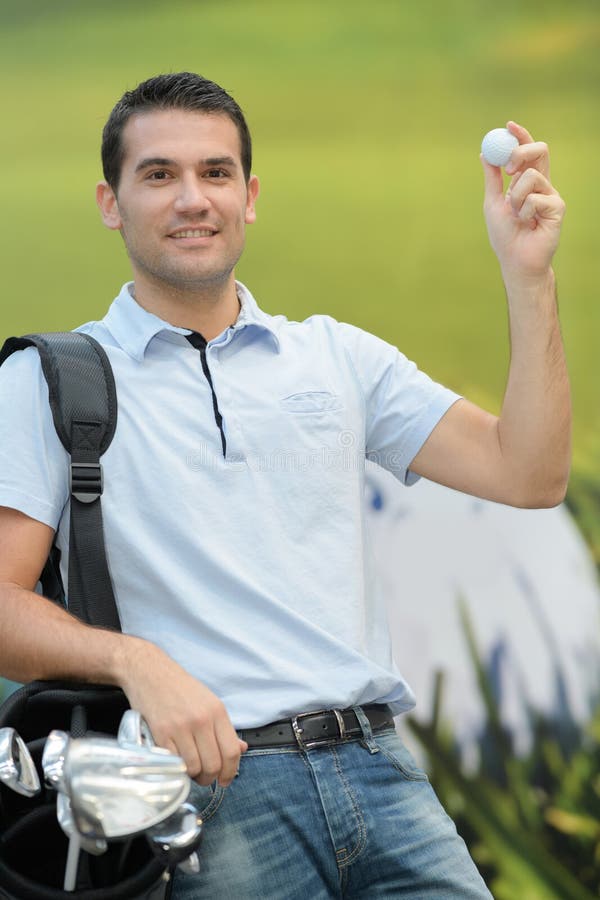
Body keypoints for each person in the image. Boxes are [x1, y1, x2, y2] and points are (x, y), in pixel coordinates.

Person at [0, 72, 569, 898]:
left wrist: (528, 277)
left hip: (385, 775)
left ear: (250, 195)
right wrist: (134, 661)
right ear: (110, 202)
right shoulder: (48, 380)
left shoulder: (336, 356)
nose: (192, 198)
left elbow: (529, 473)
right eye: (159, 175)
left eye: (216, 173)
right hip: (211, 798)